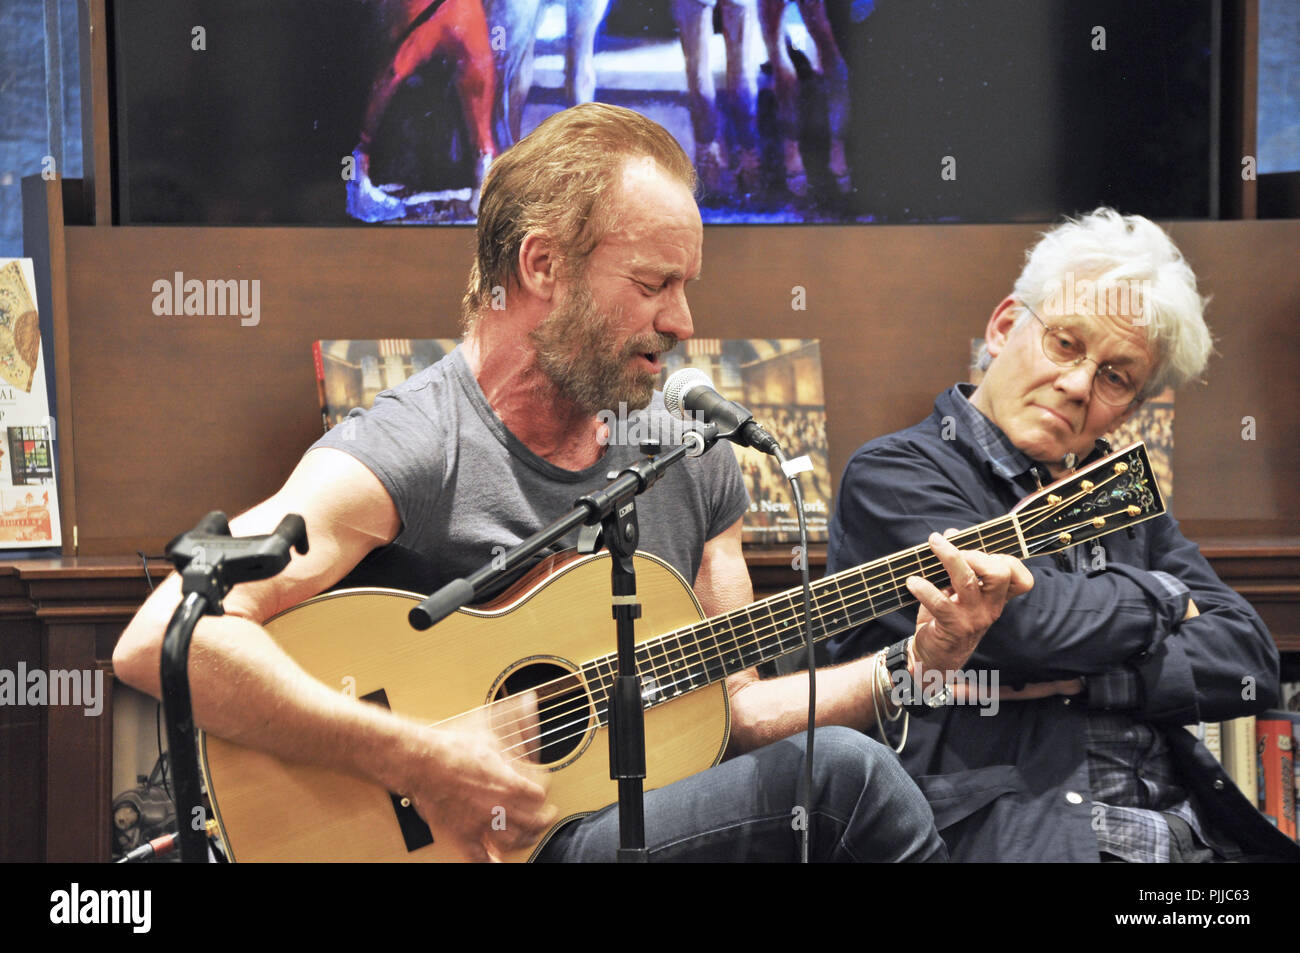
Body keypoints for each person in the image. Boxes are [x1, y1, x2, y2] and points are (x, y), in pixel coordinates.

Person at [114, 102, 1031, 863]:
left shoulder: (689, 449)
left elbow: (742, 708)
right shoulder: (415, 445)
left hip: (638, 819)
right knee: (849, 778)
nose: (684, 320)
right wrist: (423, 757)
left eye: (687, 285)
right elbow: (163, 638)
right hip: (485, 839)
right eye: (653, 282)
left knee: (833, 779)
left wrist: (914, 666)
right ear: (542, 264)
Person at [826, 207, 1300, 862]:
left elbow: (1249, 656)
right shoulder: (895, 472)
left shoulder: (1122, 496)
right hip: (1032, 840)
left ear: (1129, 409)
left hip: (1192, 839)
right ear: (1003, 327)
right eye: (1066, 343)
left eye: (1115, 376)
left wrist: (1096, 681)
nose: (1078, 384)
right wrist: (1163, 596)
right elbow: (1020, 623)